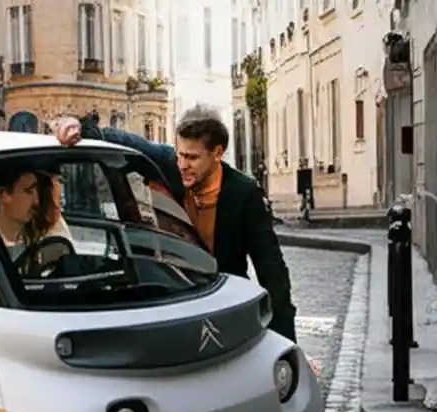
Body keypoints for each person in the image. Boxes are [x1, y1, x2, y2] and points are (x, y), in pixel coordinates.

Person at [50, 105, 298, 342]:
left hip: (226, 302)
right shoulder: (170, 165)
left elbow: (272, 269)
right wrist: (78, 127)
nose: (182, 165)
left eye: (192, 158)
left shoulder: (244, 193)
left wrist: (286, 343)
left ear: (218, 153)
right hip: (178, 301)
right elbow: (122, 140)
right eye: (180, 155)